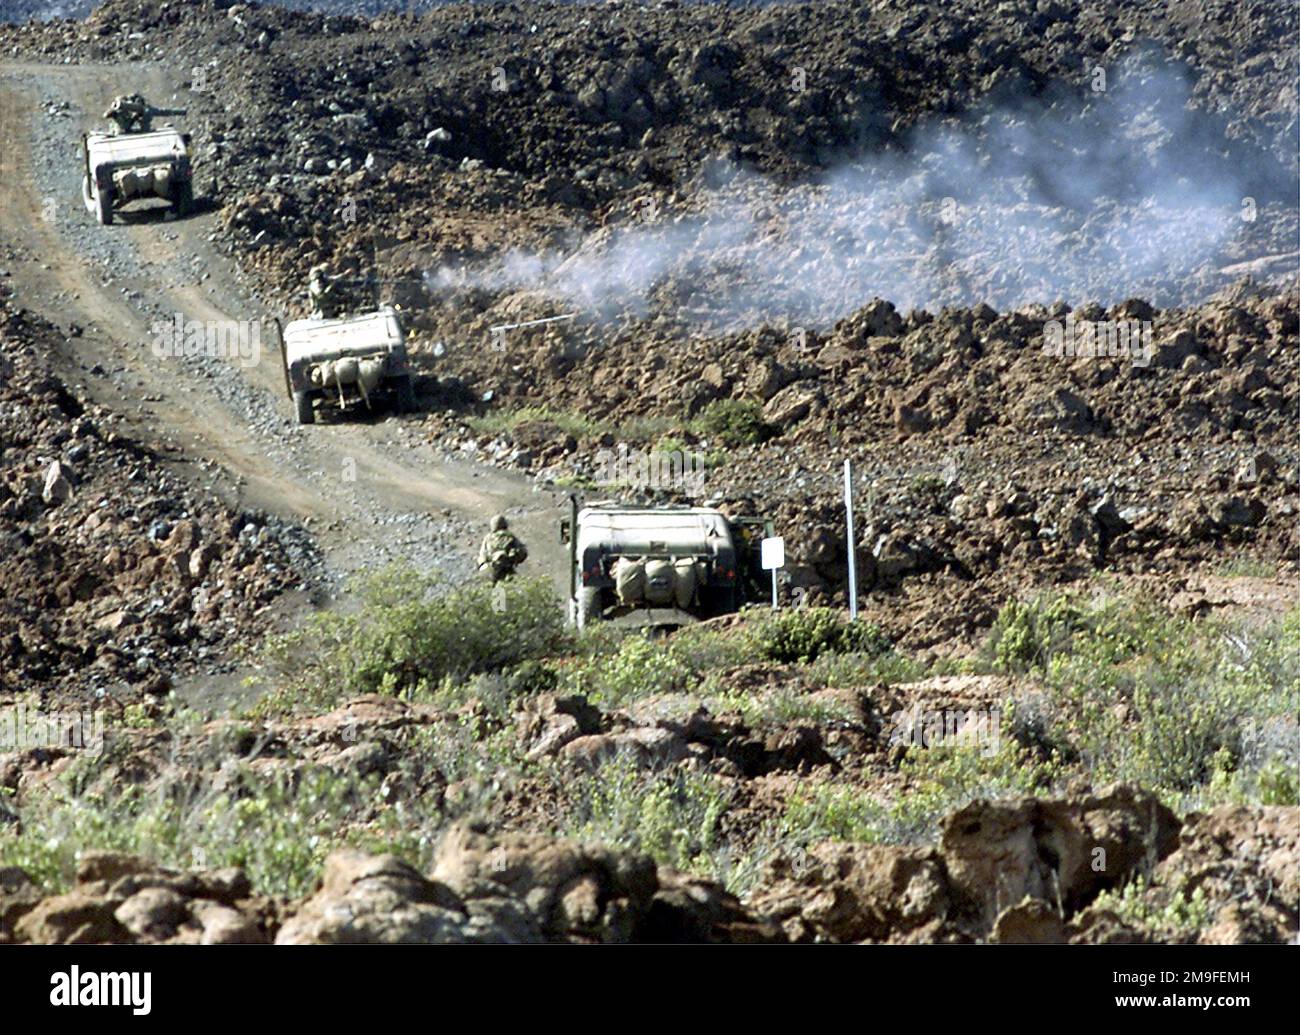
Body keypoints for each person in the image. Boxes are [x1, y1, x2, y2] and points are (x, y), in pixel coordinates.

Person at [477, 514, 527, 583]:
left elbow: (482, 555)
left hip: (492, 569)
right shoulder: (510, 536)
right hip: (507, 568)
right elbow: (522, 552)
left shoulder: (488, 538)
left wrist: (483, 565)